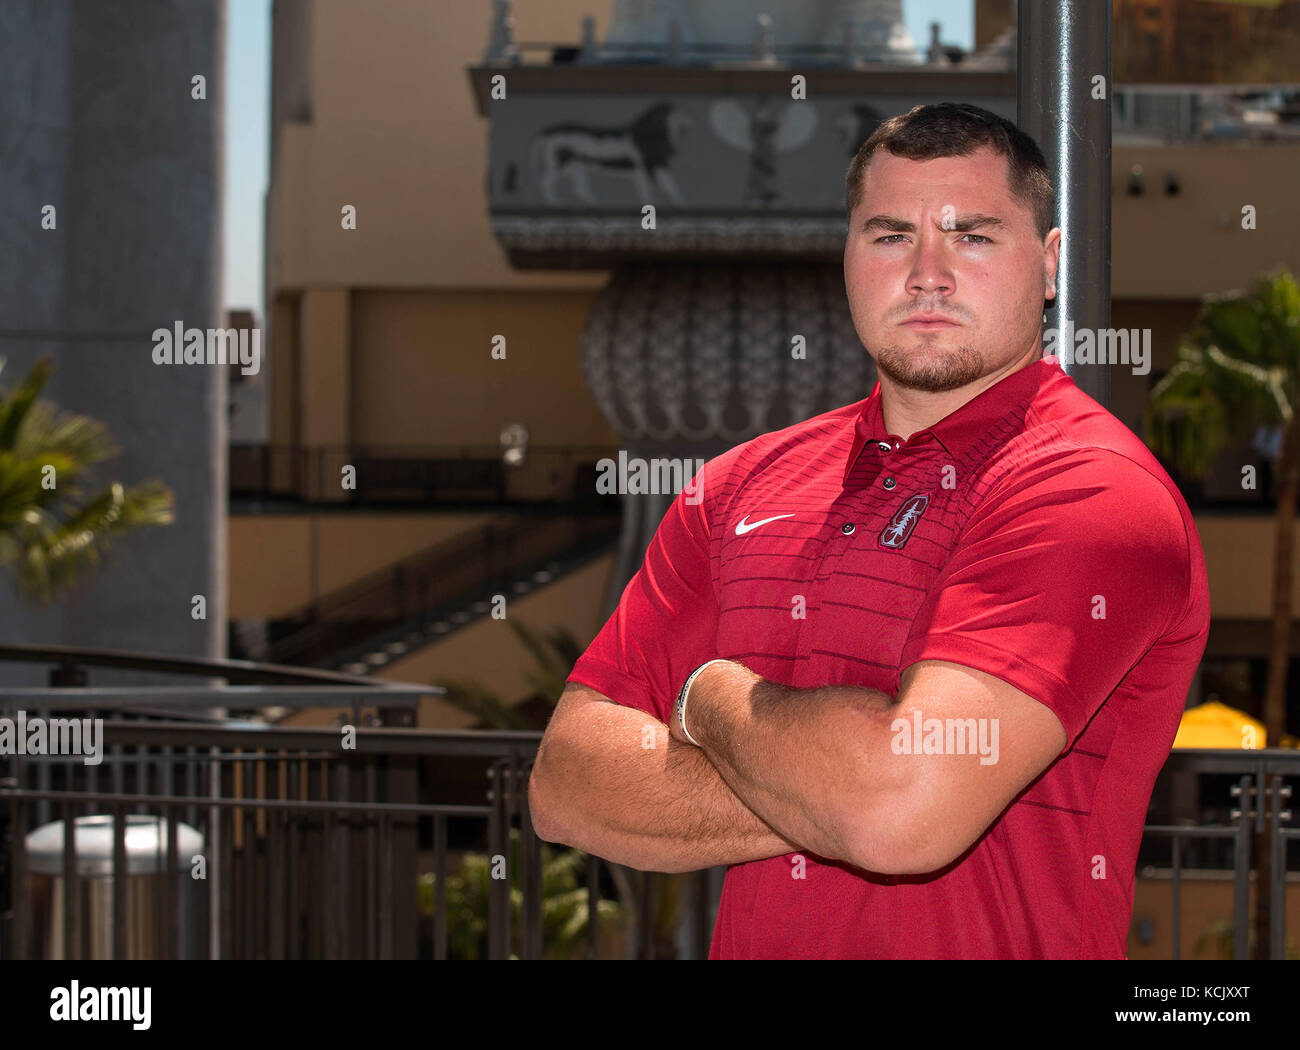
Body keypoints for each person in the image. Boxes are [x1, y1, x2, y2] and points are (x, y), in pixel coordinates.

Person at [528, 102, 1210, 959]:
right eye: (890, 236)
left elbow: (899, 815)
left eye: (973, 237)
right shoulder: (737, 485)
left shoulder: (1090, 490)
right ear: (848, 257)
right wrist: (838, 782)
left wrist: (706, 697)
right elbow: (567, 785)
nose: (928, 273)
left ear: (1048, 265)